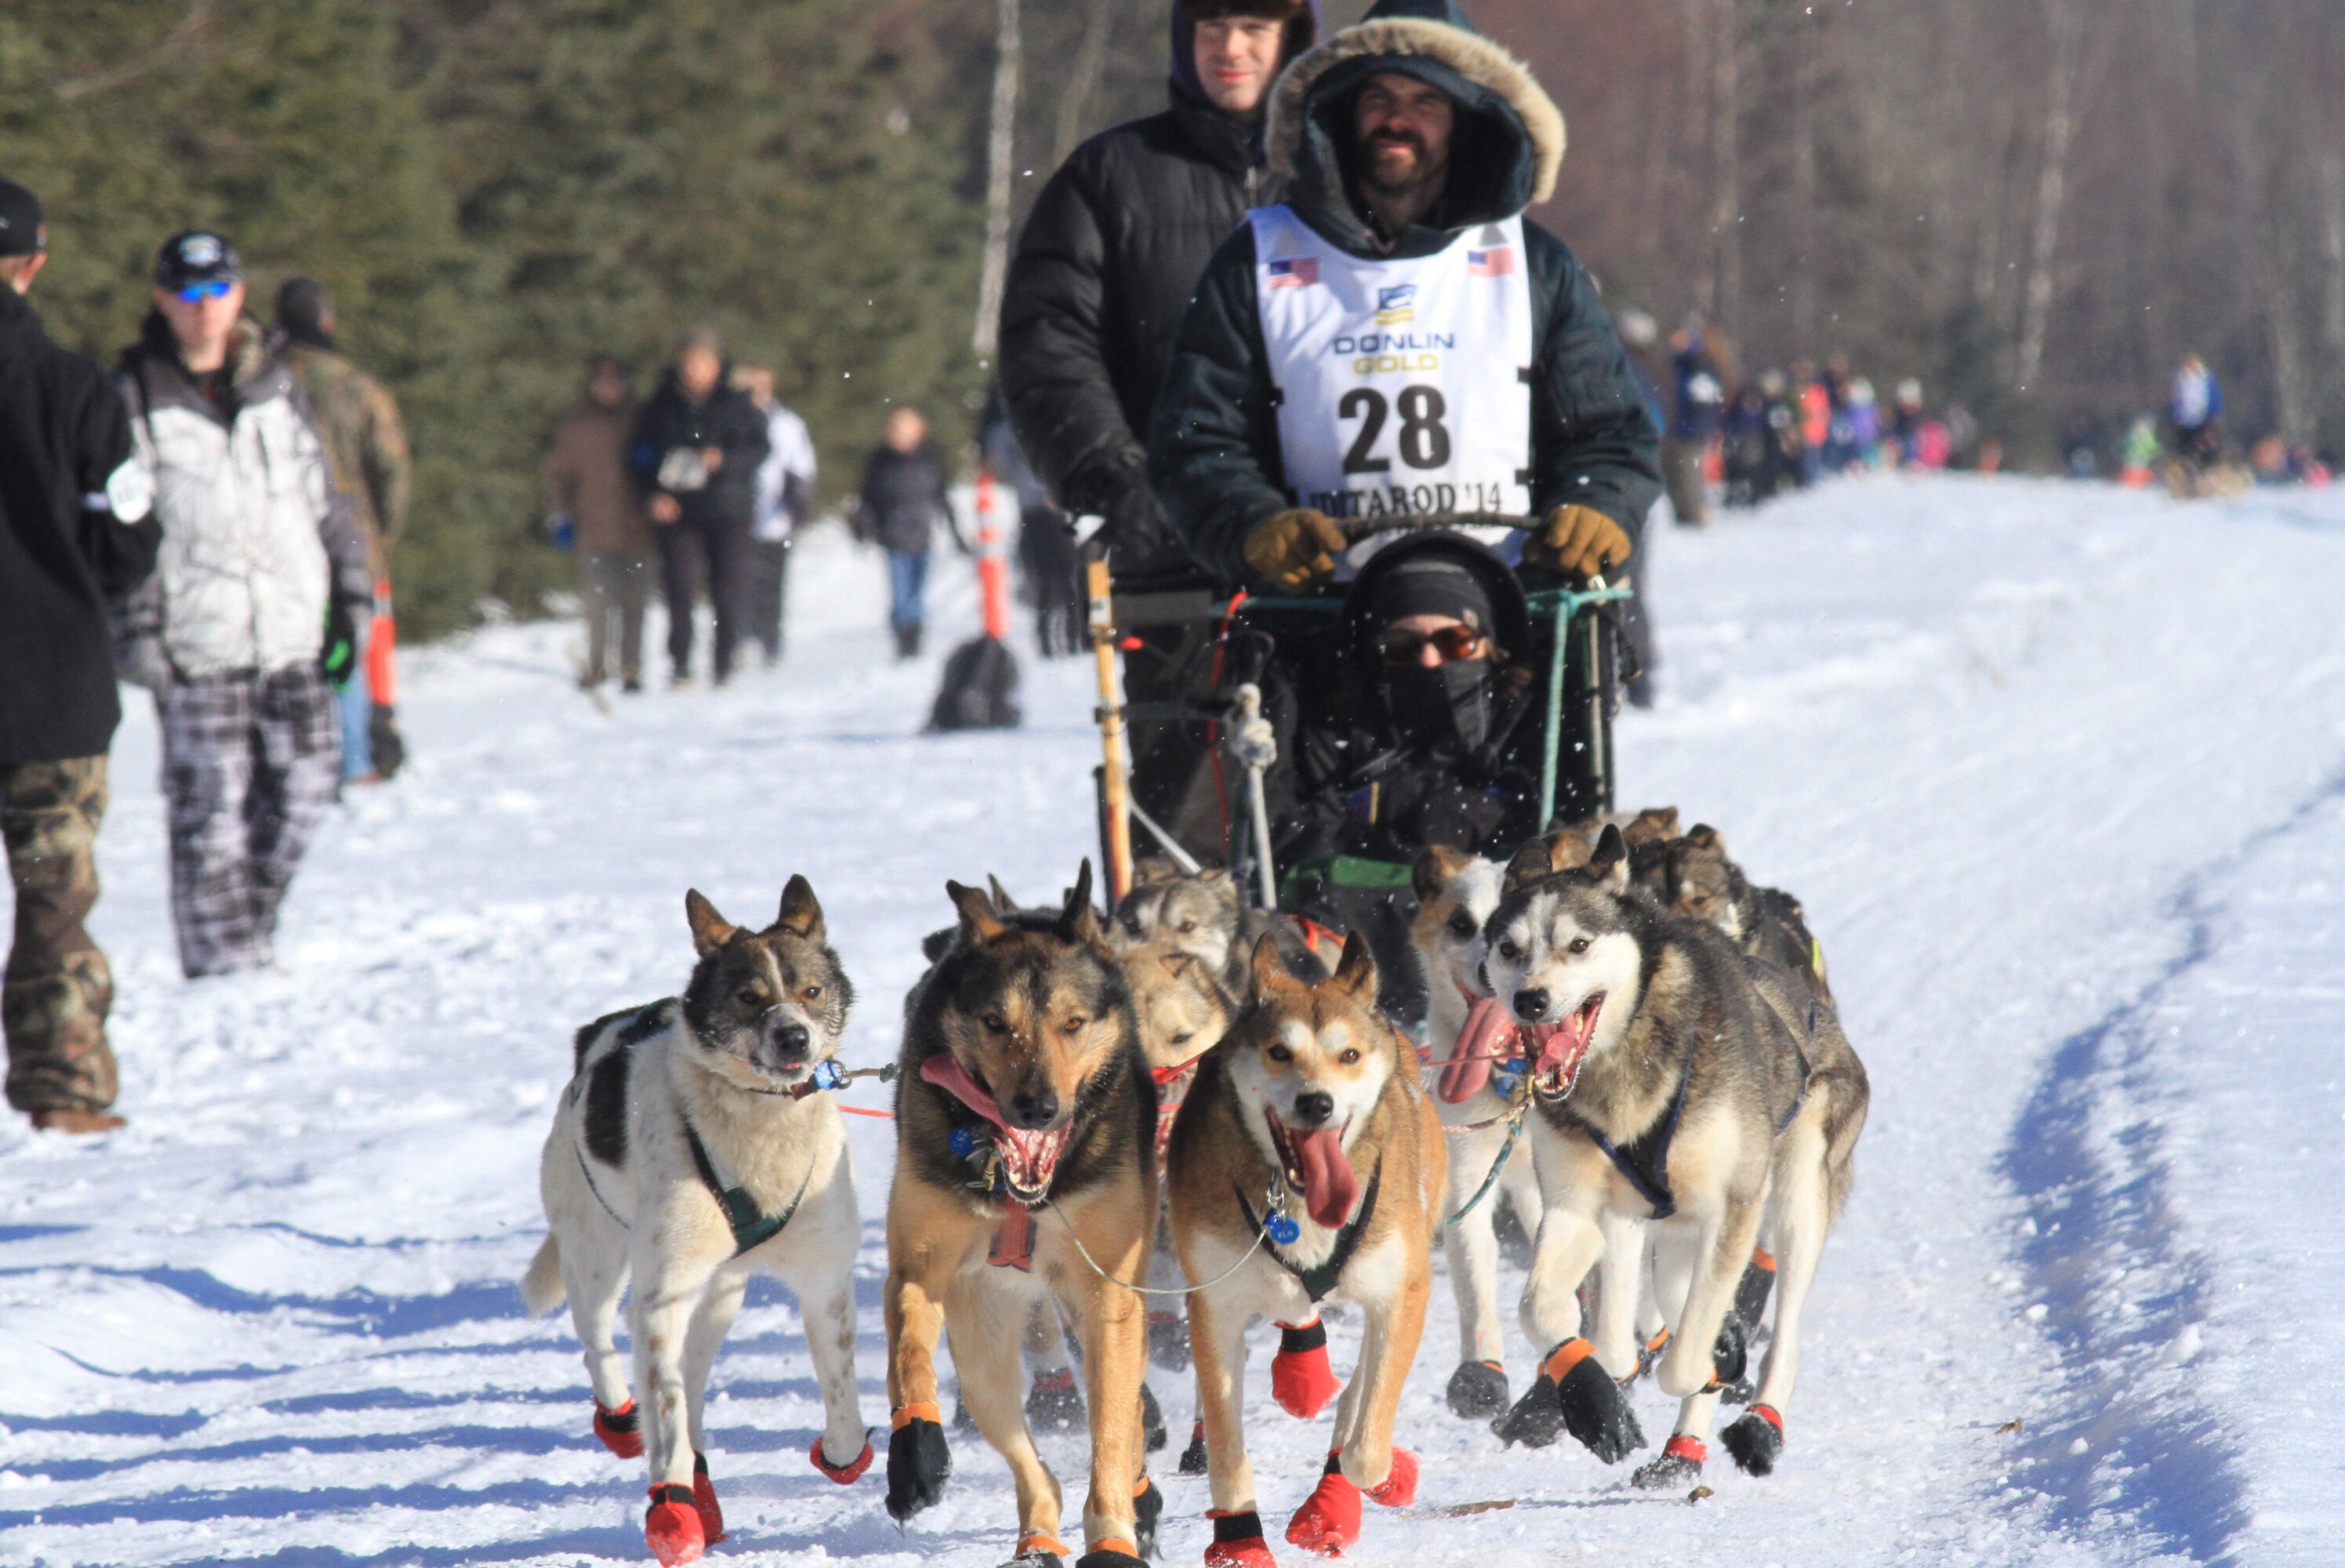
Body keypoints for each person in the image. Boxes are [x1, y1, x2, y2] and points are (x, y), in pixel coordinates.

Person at [1149, 0, 1661, 869]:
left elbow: (1613, 430)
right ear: (1340, 114)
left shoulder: (1530, 263)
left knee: (1543, 876)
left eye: (1425, 101)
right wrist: (1249, 523)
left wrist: (1599, 507)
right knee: (1311, 873)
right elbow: (1194, 438)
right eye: (1378, 97)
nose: (1398, 117)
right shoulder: (1261, 257)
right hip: (1320, 635)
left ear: (1465, 119)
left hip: (1512, 636)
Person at [999, 0, 1319, 844]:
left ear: (1294, 38)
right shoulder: (1111, 174)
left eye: (1255, 28)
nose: (1232, 49)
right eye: (1212, 28)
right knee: (1182, 819)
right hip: (1169, 550)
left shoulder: (1341, 171)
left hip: (1329, 548)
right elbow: (1046, 344)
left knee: (1333, 800)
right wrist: (1115, 475)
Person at [114, 230, 370, 979]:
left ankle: (244, 934)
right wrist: (136, 631)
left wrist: (349, 605)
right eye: (188, 294)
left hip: (290, 631)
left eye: (218, 291)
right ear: (163, 299)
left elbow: (330, 506)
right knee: (211, 818)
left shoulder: (279, 387)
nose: (204, 310)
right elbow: (118, 528)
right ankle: (225, 970)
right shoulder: (131, 395)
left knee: (308, 788)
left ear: (240, 296)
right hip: (197, 641)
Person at [0, 178, 161, 1134]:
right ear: (38, 262)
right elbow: (130, 539)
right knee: (55, 898)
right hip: (53, 688)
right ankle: (62, 1089)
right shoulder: (75, 389)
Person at [274, 278, 410, 785]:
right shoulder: (356, 385)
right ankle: (357, 759)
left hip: (280, 545)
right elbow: (392, 469)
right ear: (327, 321)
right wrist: (383, 535)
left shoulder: (263, 380)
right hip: (355, 542)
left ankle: (305, 761)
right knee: (352, 648)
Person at [629, 328, 768, 688]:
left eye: (702, 362)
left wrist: (724, 461)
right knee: (679, 589)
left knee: (728, 588)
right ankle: (680, 663)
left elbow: (759, 451)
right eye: (688, 362)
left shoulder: (738, 403)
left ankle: (724, 661)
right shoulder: (661, 404)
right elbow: (640, 456)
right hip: (678, 511)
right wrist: (652, 494)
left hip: (729, 508)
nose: (694, 370)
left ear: (716, 363)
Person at [546, 354, 654, 692]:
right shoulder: (576, 428)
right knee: (598, 604)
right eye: (602, 383)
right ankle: (596, 666)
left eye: (616, 382)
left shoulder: (644, 421)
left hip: (641, 528)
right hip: (593, 529)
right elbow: (558, 477)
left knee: (635, 604)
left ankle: (632, 667)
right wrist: (560, 516)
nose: (609, 389)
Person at [855, 406, 957, 659]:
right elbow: (868, 498)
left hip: (922, 534)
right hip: (893, 535)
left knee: (918, 593)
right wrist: (864, 525)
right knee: (901, 595)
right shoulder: (881, 461)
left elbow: (942, 497)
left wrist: (956, 532)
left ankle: (915, 637)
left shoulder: (930, 459)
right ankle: (903, 640)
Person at [735, 365, 817, 667]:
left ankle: (770, 640)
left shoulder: (788, 424)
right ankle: (738, 640)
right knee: (738, 582)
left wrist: (797, 506)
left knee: (771, 582)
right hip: (736, 517)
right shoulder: (730, 419)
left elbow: (802, 468)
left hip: (774, 518)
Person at [1664, 314, 1726, 525]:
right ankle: (1687, 512)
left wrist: (1693, 424)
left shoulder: (1696, 364)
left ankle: (1693, 514)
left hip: (1689, 428)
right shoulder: (1687, 363)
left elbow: (1700, 400)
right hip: (1684, 426)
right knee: (1682, 470)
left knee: (1688, 470)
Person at [2169, 351, 2223, 466]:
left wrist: (2216, 414)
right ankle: (2188, 471)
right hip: (2185, 421)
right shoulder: (2180, 379)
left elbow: (2215, 397)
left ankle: (2208, 469)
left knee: (2207, 446)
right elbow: (2175, 399)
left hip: (2205, 419)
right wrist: (2175, 415)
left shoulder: (2207, 378)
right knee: (2185, 449)